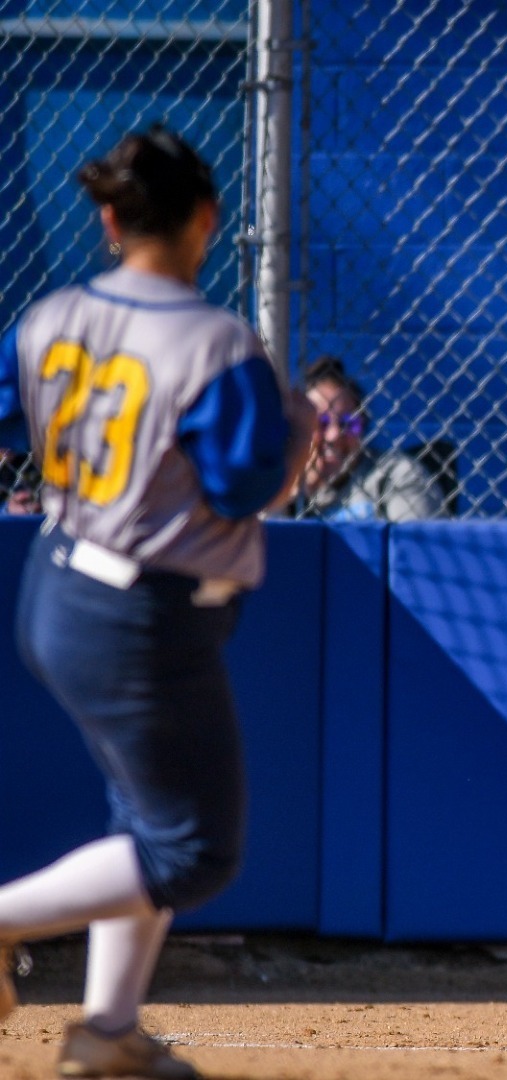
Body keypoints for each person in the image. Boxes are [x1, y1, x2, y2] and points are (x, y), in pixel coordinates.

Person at [0, 124, 314, 1080]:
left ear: (107, 219)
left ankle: (108, 1032)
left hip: (57, 584)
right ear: (206, 221)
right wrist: (297, 427)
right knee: (194, 850)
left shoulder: (48, 315)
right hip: (138, 615)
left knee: (142, 820)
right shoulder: (213, 341)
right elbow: (246, 485)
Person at [289, 356, 442, 522]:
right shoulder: (279, 481)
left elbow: (414, 543)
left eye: (348, 423)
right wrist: (296, 492)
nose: (334, 435)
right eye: (321, 423)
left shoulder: (393, 475)